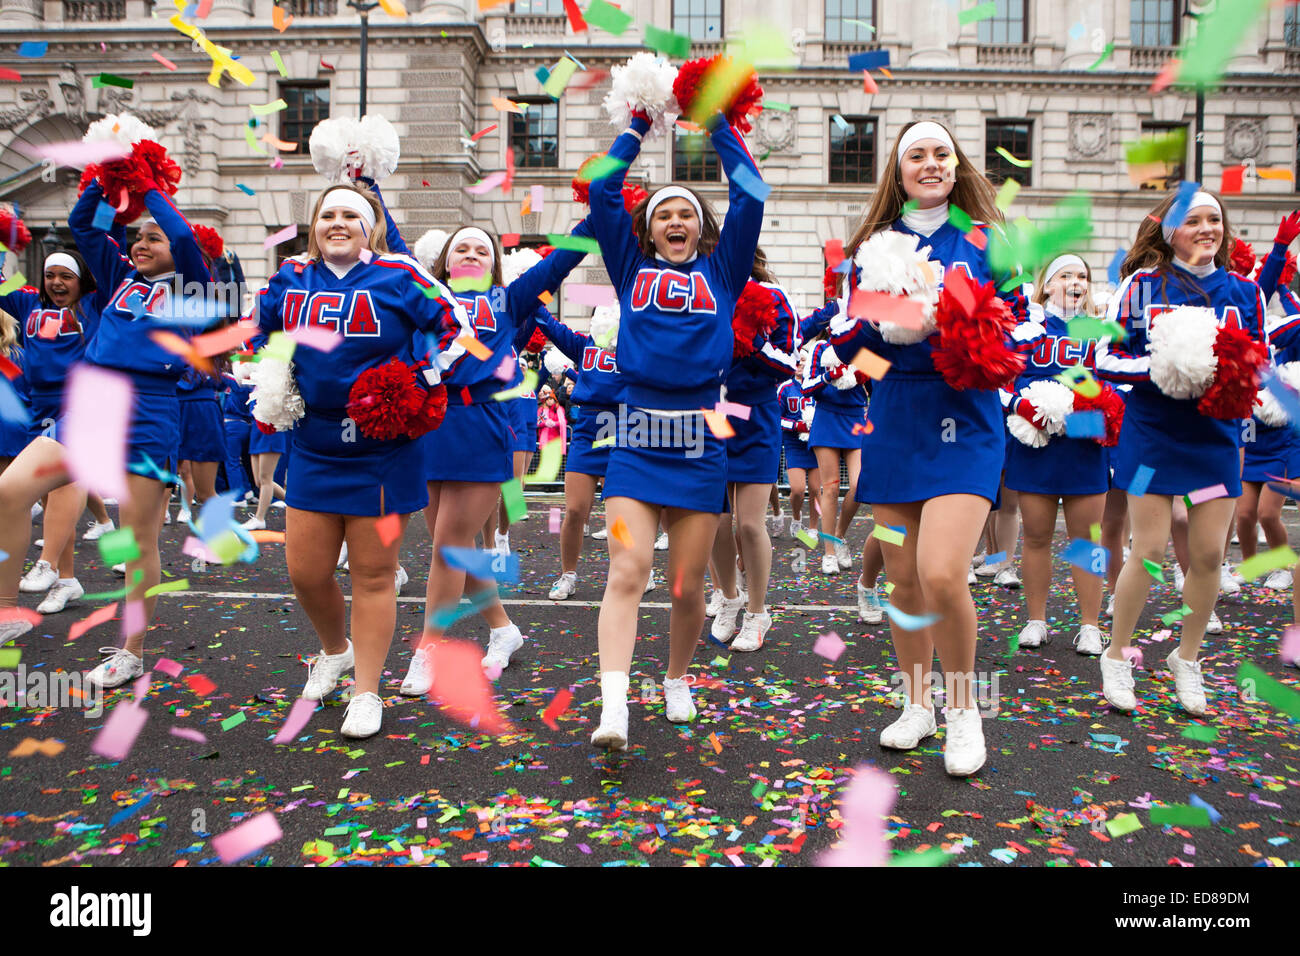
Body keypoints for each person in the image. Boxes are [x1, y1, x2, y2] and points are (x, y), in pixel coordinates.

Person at [828, 120, 1032, 776]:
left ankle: (964, 710)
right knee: (902, 576)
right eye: (916, 154)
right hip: (894, 419)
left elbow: (1021, 334)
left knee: (944, 572)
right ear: (898, 168)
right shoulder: (870, 246)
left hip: (965, 417)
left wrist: (958, 333)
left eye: (941, 152)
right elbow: (850, 354)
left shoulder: (986, 239)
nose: (930, 162)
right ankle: (918, 704)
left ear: (956, 163)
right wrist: (892, 339)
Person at [252, 182, 464, 738]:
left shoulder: (400, 275)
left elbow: (458, 332)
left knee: (373, 576)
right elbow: (263, 336)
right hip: (316, 447)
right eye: (328, 215)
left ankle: (367, 691)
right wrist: (274, 381)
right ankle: (335, 649)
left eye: (351, 214)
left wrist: (422, 379)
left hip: (382, 451)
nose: (338, 223)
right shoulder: (291, 278)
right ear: (314, 226)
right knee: (306, 572)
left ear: (369, 226)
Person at [585, 102, 764, 750]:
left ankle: (677, 677)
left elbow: (751, 193)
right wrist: (638, 122)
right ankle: (614, 706)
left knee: (687, 585)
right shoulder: (630, 267)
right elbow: (603, 188)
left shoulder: (723, 271)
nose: (676, 220)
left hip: (698, 449)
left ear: (701, 226)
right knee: (627, 570)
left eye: (686, 211)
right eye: (664, 212)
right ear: (650, 229)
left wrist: (716, 124)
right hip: (635, 443)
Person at [0, 178, 213, 686]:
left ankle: (131, 650)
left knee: (139, 540)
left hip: (150, 411)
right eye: (137, 236)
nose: (141, 244)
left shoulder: (194, 284)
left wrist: (149, 188)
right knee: (10, 490)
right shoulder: (120, 278)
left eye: (152, 237)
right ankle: (7, 610)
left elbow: (183, 239)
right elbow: (84, 225)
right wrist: (107, 181)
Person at [400, 220, 595, 697]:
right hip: (430, 429)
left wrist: (598, 210)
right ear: (445, 260)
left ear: (495, 265)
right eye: (461, 248)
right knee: (457, 552)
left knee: (448, 547)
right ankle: (503, 628)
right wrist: (367, 184)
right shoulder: (425, 294)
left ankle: (428, 649)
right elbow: (391, 245)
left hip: (481, 428)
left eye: (481, 250)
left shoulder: (508, 302)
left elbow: (559, 261)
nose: (470, 254)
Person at [1094, 189, 1267, 716]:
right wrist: (1163, 369)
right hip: (1153, 436)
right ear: (1170, 230)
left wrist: (1233, 379)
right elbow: (1103, 356)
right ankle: (1118, 655)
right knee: (1147, 550)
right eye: (1194, 220)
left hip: (1214, 441)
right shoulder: (1142, 285)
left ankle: (1186, 659)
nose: (1207, 228)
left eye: (1214, 219)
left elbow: (1260, 364)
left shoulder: (1245, 292)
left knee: (1211, 554)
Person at [1003, 254, 1110, 654]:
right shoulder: (1024, 328)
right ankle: (1036, 620)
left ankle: (1090, 625)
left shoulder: (1101, 332)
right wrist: (1025, 410)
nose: (1076, 281)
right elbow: (999, 384)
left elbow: (1116, 397)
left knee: (1087, 539)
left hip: (1084, 447)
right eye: (1066, 275)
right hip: (1036, 445)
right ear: (1046, 284)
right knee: (1036, 537)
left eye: (1082, 275)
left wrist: (1075, 421)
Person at [2, 247, 106, 614]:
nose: (57, 283)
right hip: (39, 408)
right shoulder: (27, 301)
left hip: (79, 405)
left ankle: (47, 562)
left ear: (81, 281)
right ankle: (67, 579)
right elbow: (4, 281)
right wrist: (6, 243)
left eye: (66, 276)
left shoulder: (93, 306)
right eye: (51, 275)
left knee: (65, 482)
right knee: (51, 499)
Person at [706, 247, 799, 652]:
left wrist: (753, 343)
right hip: (712, 414)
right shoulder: (705, 294)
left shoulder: (774, 297)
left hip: (756, 415)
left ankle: (758, 612)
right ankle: (729, 597)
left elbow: (789, 362)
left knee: (748, 523)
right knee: (712, 520)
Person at [528, 306, 620, 601]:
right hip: (589, 427)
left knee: (622, 513)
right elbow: (551, 325)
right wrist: (534, 291)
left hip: (623, 427)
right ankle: (568, 575)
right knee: (576, 510)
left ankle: (631, 568)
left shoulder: (637, 344)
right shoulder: (584, 345)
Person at [801, 336, 867, 575]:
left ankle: (839, 535)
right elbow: (806, 387)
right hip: (827, 417)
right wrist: (828, 377)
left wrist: (866, 374)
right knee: (829, 487)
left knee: (860, 485)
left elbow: (882, 377)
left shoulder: (864, 344)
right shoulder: (820, 348)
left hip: (856, 419)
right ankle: (828, 552)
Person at [536, 384, 567, 450]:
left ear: (554, 400)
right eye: (547, 399)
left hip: (556, 439)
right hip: (545, 440)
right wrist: (545, 423)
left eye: (551, 399)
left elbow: (564, 422)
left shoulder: (559, 409)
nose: (549, 401)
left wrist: (555, 424)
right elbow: (537, 422)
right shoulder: (541, 409)